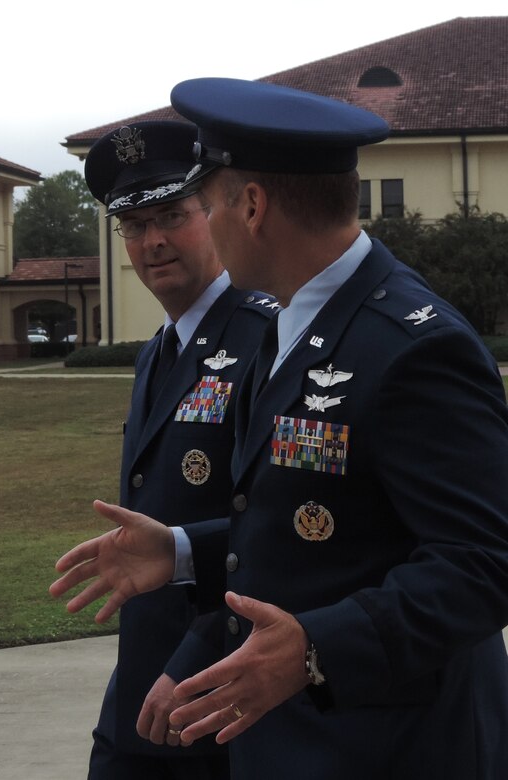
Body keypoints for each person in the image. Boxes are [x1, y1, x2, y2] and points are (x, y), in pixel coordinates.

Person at [51, 79, 508, 780]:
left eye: (209, 202)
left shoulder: (411, 346)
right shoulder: (294, 326)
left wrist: (317, 648)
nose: (203, 224)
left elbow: (485, 562)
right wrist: (181, 553)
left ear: (253, 206)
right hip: (292, 743)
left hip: (392, 748)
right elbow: (306, 530)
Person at [82, 120, 277, 780]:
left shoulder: (266, 339)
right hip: (141, 680)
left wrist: (192, 657)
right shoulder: (157, 354)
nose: (152, 241)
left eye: (171, 215)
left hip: (219, 687)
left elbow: (279, 531)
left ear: (215, 213)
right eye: (134, 226)